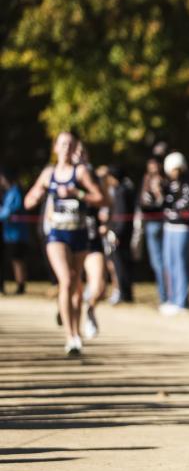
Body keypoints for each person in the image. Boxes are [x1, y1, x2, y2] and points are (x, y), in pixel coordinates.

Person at [24, 130, 105, 354]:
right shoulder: (48, 173)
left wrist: (77, 193)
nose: (67, 148)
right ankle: (69, 336)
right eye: (63, 144)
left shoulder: (80, 173)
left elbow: (100, 198)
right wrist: (38, 195)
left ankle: (76, 333)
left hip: (78, 233)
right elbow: (28, 201)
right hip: (57, 235)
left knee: (77, 287)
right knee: (66, 280)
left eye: (70, 144)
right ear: (55, 148)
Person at [73, 144, 108, 339]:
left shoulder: (94, 177)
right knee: (73, 288)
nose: (78, 155)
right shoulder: (61, 176)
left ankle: (90, 310)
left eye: (82, 152)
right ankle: (74, 335)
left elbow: (106, 203)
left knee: (99, 286)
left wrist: (106, 221)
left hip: (92, 238)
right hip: (69, 239)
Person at [160, 151, 189, 313]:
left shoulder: (188, 184)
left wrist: (173, 210)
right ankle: (172, 298)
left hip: (184, 228)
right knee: (169, 263)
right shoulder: (169, 185)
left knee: (180, 263)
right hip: (169, 226)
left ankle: (181, 301)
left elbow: (186, 205)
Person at [103, 165, 135, 304]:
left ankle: (124, 293)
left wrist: (116, 233)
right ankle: (125, 292)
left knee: (120, 265)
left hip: (119, 234)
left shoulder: (121, 192)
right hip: (121, 232)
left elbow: (121, 215)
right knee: (121, 264)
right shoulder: (122, 190)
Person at [138, 155, 167, 304]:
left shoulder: (164, 181)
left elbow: (165, 204)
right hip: (150, 223)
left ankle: (166, 296)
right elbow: (142, 204)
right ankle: (163, 295)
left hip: (162, 223)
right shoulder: (146, 181)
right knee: (157, 262)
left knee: (163, 262)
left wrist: (158, 193)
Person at [0, 168, 30, 295]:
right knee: (15, 260)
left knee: (17, 260)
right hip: (10, 234)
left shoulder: (14, 192)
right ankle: (20, 285)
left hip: (17, 234)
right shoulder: (9, 193)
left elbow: (9, 211)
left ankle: (21, 286)